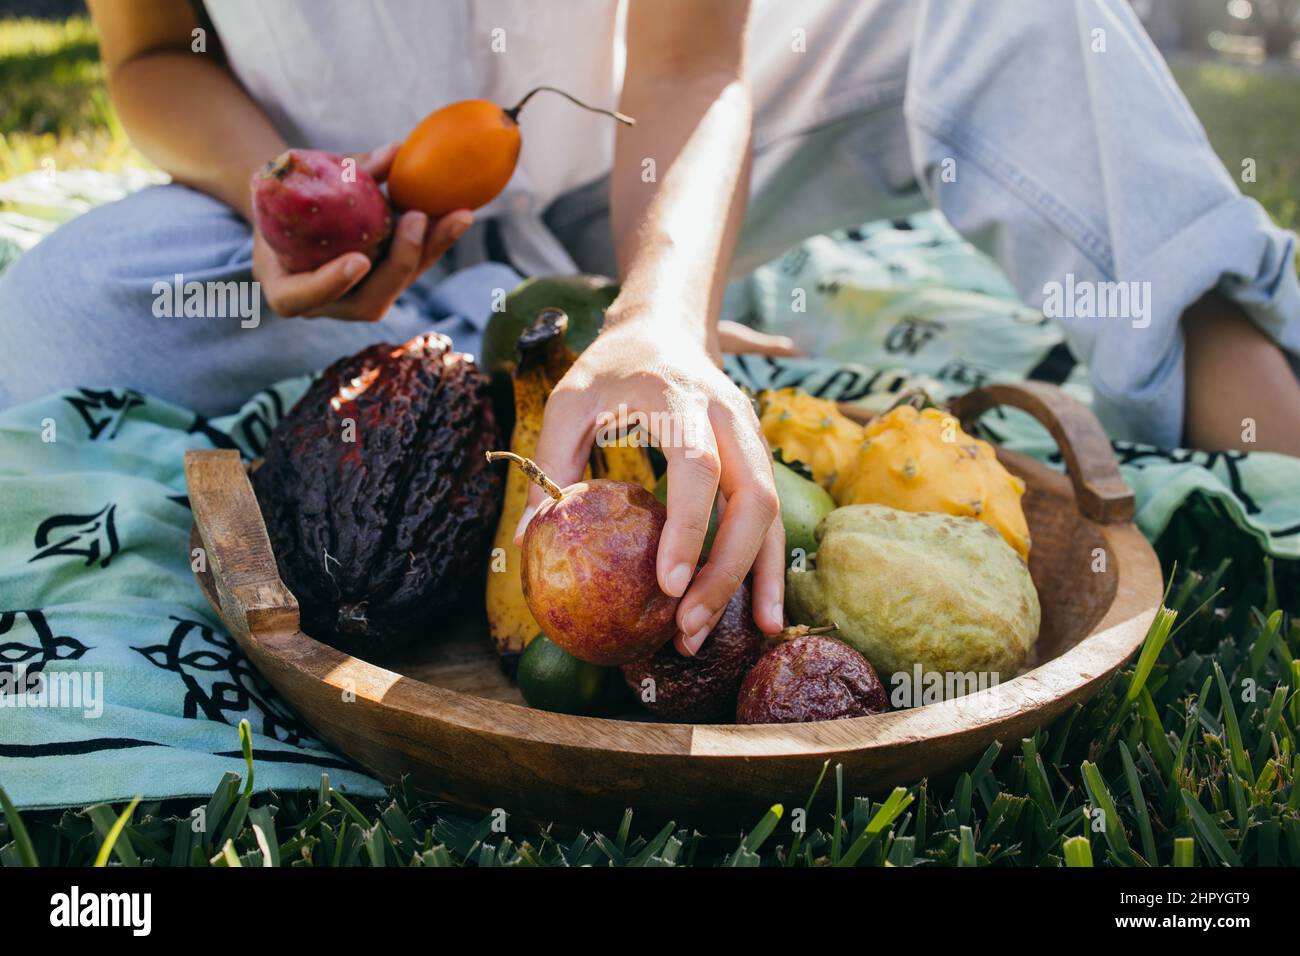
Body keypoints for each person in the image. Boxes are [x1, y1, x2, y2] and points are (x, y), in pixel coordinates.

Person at [2, 0, 1298, 656]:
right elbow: (147, 56)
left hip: (635, 164)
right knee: (49, 321)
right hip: (352, 224)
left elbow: (690, 62)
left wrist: (667, 317)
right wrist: (282, 194)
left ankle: (1225, 364)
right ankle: (511, 341)